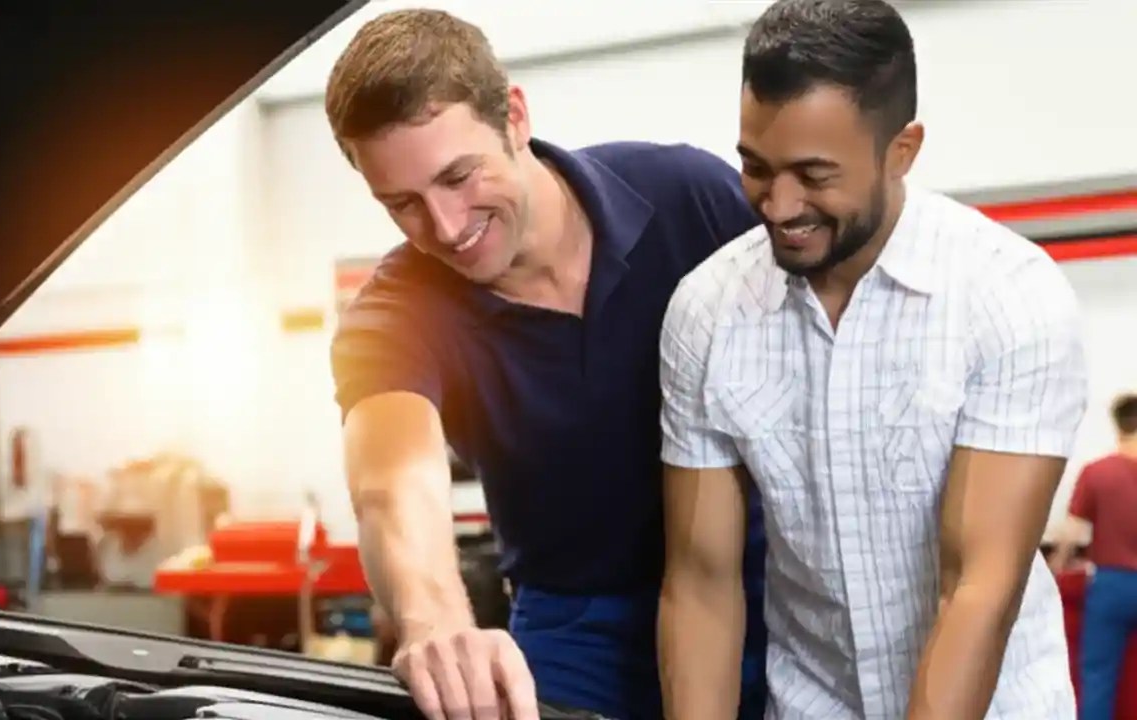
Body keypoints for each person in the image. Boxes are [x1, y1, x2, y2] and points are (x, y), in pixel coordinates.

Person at [323, 8, 768, 720]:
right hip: (577, 628)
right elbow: (389, 482)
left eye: (460, 176)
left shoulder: (688, 195)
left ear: (516, 117)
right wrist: (435, 621)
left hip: (766, 584)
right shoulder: (395, 310)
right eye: (402, 204)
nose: (444, 227)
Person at [656, 1, 1089, 718]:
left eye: (814, 174)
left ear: (902, 150)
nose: (778, 203)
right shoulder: (706, 311)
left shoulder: (1006, 295)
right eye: (756, 167)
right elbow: (702, 585)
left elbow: (976, 588)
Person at [1050, 393, 1137, 720]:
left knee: (1098, 678)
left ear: (1118, 426)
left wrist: (1054, 569)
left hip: (1110, 585)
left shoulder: (1097, 472)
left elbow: (1072, 533)